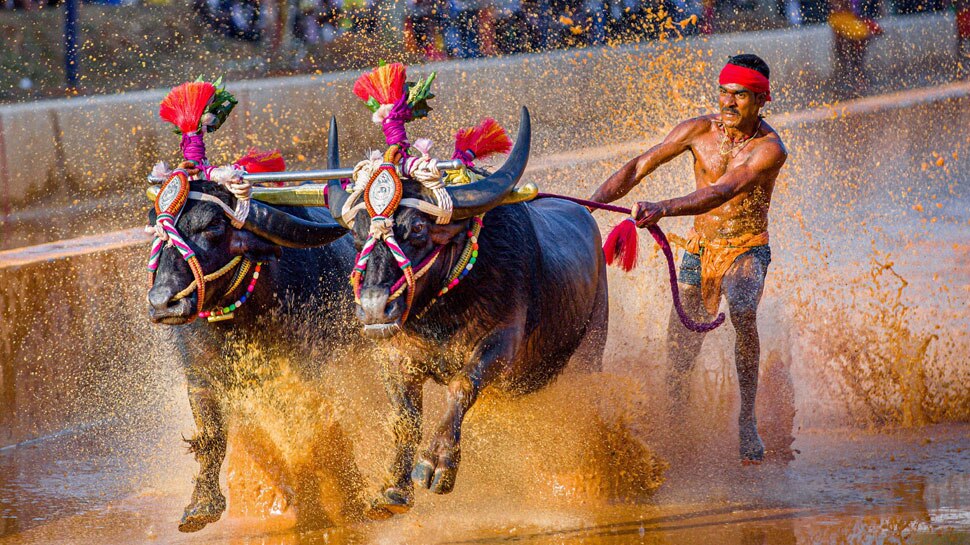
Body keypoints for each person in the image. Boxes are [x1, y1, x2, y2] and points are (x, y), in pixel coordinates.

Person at [589, 54, 788, 464]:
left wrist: (663, 207)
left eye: (741, 96)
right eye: (724, 93)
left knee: (744, 310)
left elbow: (721, 192)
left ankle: (746, 420)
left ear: (762, 100)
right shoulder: (699, 130)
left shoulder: (770, 149)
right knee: (681, 341)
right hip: (701, 247)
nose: (728, 103)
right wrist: (588, 206)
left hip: (746, 246)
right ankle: (676, 416)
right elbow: (639, 166)